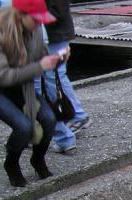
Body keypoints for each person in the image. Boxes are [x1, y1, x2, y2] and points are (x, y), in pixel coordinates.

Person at [0, 0, 61, 187]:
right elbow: (4, 76)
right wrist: (39, 66)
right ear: (21, 15)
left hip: (21, 86)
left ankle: (38, 159)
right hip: (3, 87)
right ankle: (11, 164)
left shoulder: (35, 29)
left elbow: (40, 56)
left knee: (49, 119)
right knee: (24, 127)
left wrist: (56, 58)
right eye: (36, 20)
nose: (39, 24)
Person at [43, 0, 90, 154]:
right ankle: (76, 116)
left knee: (52, 79)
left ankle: (75, 117)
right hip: (55, 32)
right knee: (55, 77)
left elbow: (57, 9)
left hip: (53, 33)